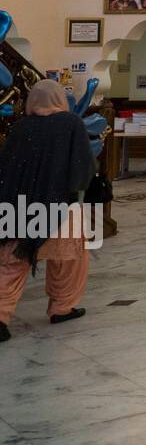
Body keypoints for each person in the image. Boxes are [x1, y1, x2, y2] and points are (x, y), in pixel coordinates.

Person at [0, 80, 97, 344]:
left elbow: (5, 168)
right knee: (69, 260)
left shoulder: (20, 127)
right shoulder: (71, 124)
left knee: (11, 263)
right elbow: (82, 164)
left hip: (19, 207)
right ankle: (61, 308)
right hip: (60, 206)